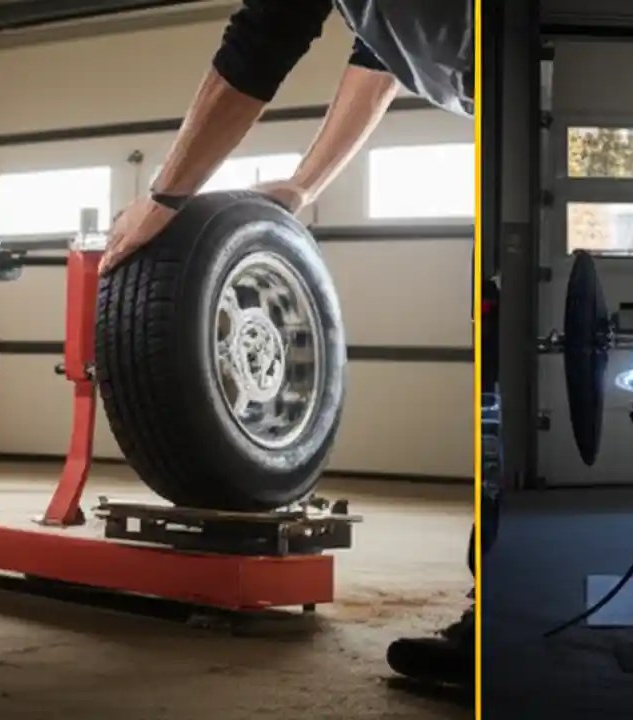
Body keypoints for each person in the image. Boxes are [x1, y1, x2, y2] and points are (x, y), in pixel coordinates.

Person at [97, 0, 477, 689]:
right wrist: (305, 184)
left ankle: (501, 629)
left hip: (555, 78)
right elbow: (380, 53)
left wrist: (166, 197)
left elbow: (262, 41)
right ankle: (498, 617)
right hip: (515, 102)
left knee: (516, 364)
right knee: (504, 369)